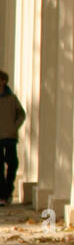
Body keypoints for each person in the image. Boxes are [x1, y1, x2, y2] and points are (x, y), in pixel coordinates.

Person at [0, 70, 26, 206]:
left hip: (9, 136)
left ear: (3, 81)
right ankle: (2, 195)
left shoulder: (11, 98)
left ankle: (8, 190)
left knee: (12, 164)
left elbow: (21, 114)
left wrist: (13, 126)